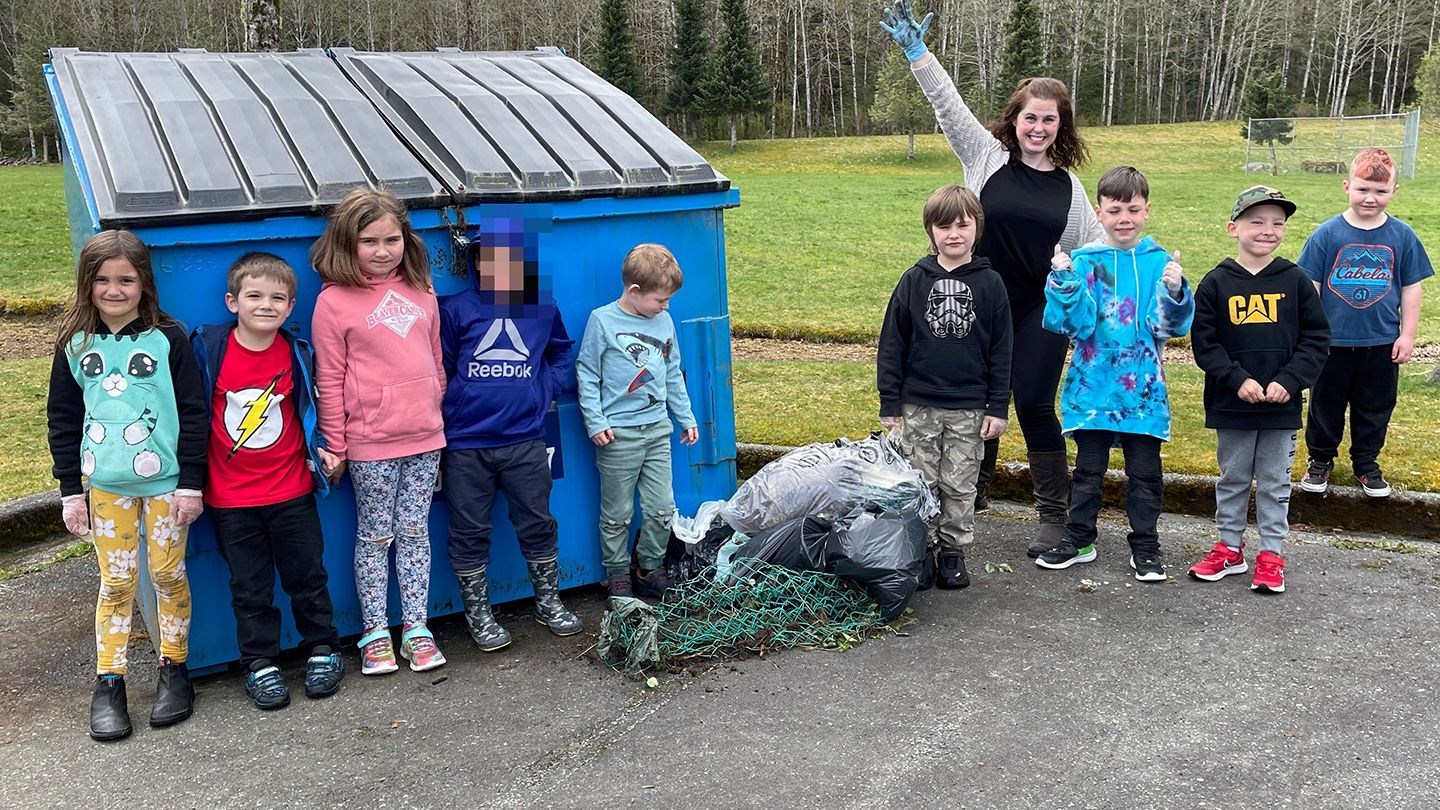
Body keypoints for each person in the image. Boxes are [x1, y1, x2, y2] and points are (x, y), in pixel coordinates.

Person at [882, 0, 1104, 557]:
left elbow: (1097, 246)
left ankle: (1056, 516)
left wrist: (1143, 272)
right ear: (1016, 118)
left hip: (1036, 310)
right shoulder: (986, 156)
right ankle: (970, 493)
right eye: (1031, 116)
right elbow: (948, 106)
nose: (1039, 126)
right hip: (971, 298)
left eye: (1050, 118)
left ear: (1061, 125)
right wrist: (919, 54)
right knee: (974, 397)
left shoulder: (1070, 190)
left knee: (1030, 401)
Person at [46, 230, 207, 741]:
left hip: (166, 487)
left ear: (144, 283)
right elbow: (64, 419)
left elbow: (194, 413)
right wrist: (71, 491)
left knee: (166, 574)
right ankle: (109, 681)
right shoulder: (75, 344)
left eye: (126, 279)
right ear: (87, 284)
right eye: (102, 280)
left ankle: (174, 670)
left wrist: (191, 484)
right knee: (116, 584)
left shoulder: (168, 340)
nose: (114, 290)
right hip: (105, 488)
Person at [191, 252, 344, 710]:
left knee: (308, 577)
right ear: (232, 301)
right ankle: (260, 663)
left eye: (278, 298)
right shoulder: (209, 349)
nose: (266, 305)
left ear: (292, 306)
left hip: (292, 492)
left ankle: (323, 647)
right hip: (231, 500)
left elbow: (308, 411)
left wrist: (322, 449)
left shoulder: (296, 352)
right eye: (254, 295)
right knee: (250, 586)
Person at [311, 188, 447, 675]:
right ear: (347, 244)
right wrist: (335, 442)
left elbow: (435, 359)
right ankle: (374, 631)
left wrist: (437, 410)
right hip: (370, 442)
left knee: (415, 533)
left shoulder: (422, 288)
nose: (383, 250)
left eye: (392, 239)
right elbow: (327, 376)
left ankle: (416, 628)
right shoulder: (333, 303)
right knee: (374, 537)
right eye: (370, 241)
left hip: (426, 437)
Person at [1034, 167, 1194, 581]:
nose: (1125, 218)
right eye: (1115, 209)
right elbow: (1074, 325)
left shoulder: (1159, 262)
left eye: (1134, 209)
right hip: (1094, 385)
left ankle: (1145, 547)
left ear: (1147, 210)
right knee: (1088, 471)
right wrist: (1065, 284)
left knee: (1145, 474)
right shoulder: (1085, 262)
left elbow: (1170, 327)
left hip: (1142, 389)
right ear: (1099, 212)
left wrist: (1175, 292)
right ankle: (1079, 538)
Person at [439, 220, 583, 651]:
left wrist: (546, 389)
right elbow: (439, 368)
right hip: (466, 445)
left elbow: (561, 350)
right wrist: (454, 407)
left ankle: (548, 600)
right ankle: (479, 615)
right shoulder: (456, 309)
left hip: (525, 440)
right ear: (476, 261)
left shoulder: (541, 306)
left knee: (537, 521)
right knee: (468, 530)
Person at [1188, 187, 1329, 594]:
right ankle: (1229, 548)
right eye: (1257, 221)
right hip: (1232, 405)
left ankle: (1271, 553)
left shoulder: (1296, 280)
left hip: (1280, 408)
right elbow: (1205, 343)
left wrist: (1288, 381)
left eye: (1277, 223)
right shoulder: (1215, 282)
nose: (1268, 230)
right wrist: (1237, 379)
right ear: (1234, 227)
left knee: (1273, 481)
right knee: (1232, 478)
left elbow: (1316, 338)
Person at [878, 184, 1012, 589]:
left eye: (962, 225)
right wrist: (891, 399)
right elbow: (892, 342)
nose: (954, 234)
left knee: (959, 482)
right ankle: (921, 551)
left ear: (977, 228)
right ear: (930, 231)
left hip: (970, 406)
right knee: (921, 481)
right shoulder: (914, 281)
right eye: (943, 226)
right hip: (918, 403)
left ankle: (952, 552)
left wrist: (997, 406)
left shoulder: (991, 284)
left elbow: (1003, 350)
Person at [1297, 148, 1433, 499]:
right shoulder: (1327, 234)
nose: (1370, 198)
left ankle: (1367, 464)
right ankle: (1320, 461)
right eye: (1362, 189)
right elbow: (1309, 287)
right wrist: (1310, 334)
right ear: (1346, 187)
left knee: (1375, 406)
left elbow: (1411, 288)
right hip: (1332, 342)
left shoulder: (1401, 237)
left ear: (1394, 193)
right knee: (1325, 404)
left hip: (1381, 341)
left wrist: (1407, 335)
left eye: (1380, 191)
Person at [577, 243, 699, 598]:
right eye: (660, 300)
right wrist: (596, 421)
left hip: (658, 429)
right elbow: (586, 373)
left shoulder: (664, 322)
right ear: (634, 292)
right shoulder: (602, 321)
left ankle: (649, 568)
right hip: (618, 435)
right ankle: (617, 573)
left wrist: (685, 417)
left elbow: (673, 372)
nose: (665, 307)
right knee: (617, 512)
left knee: (662, 508)